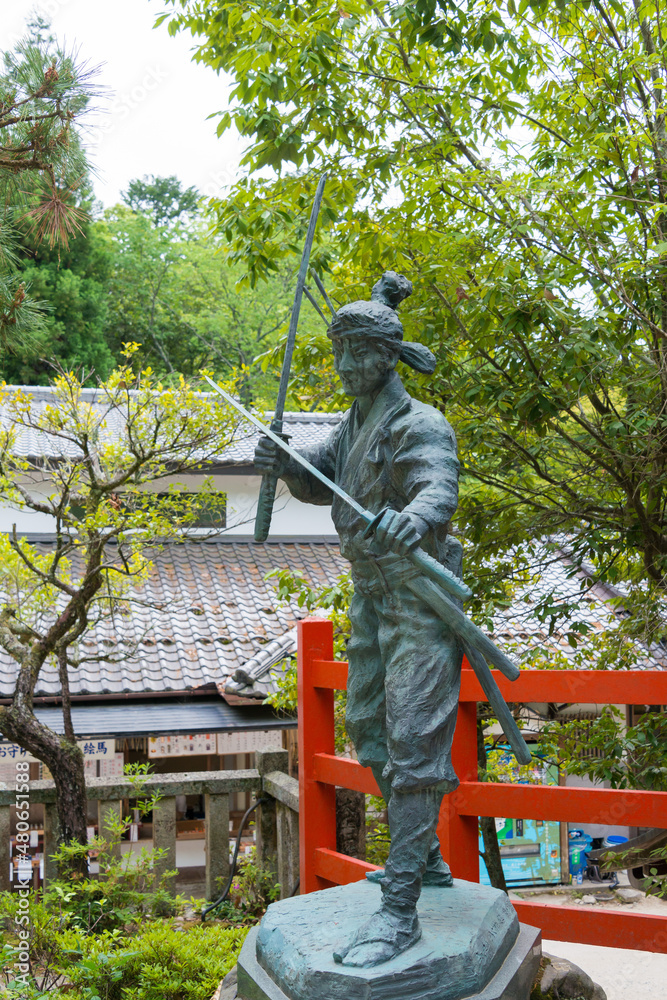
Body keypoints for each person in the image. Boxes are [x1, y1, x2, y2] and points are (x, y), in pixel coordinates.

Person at [254, 271, 464, 967]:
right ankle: (426, 860)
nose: (344, 368)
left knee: (411, 737)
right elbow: (317, 477)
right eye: (337, 354)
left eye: (354, 354)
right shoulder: (352, 424)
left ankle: (399, 907)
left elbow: (438, 482)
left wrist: (415, 517)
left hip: (421, 602)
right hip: (371, 599)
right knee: (370, 728)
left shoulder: (418, 423)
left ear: (385, 356)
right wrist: (280, 461)